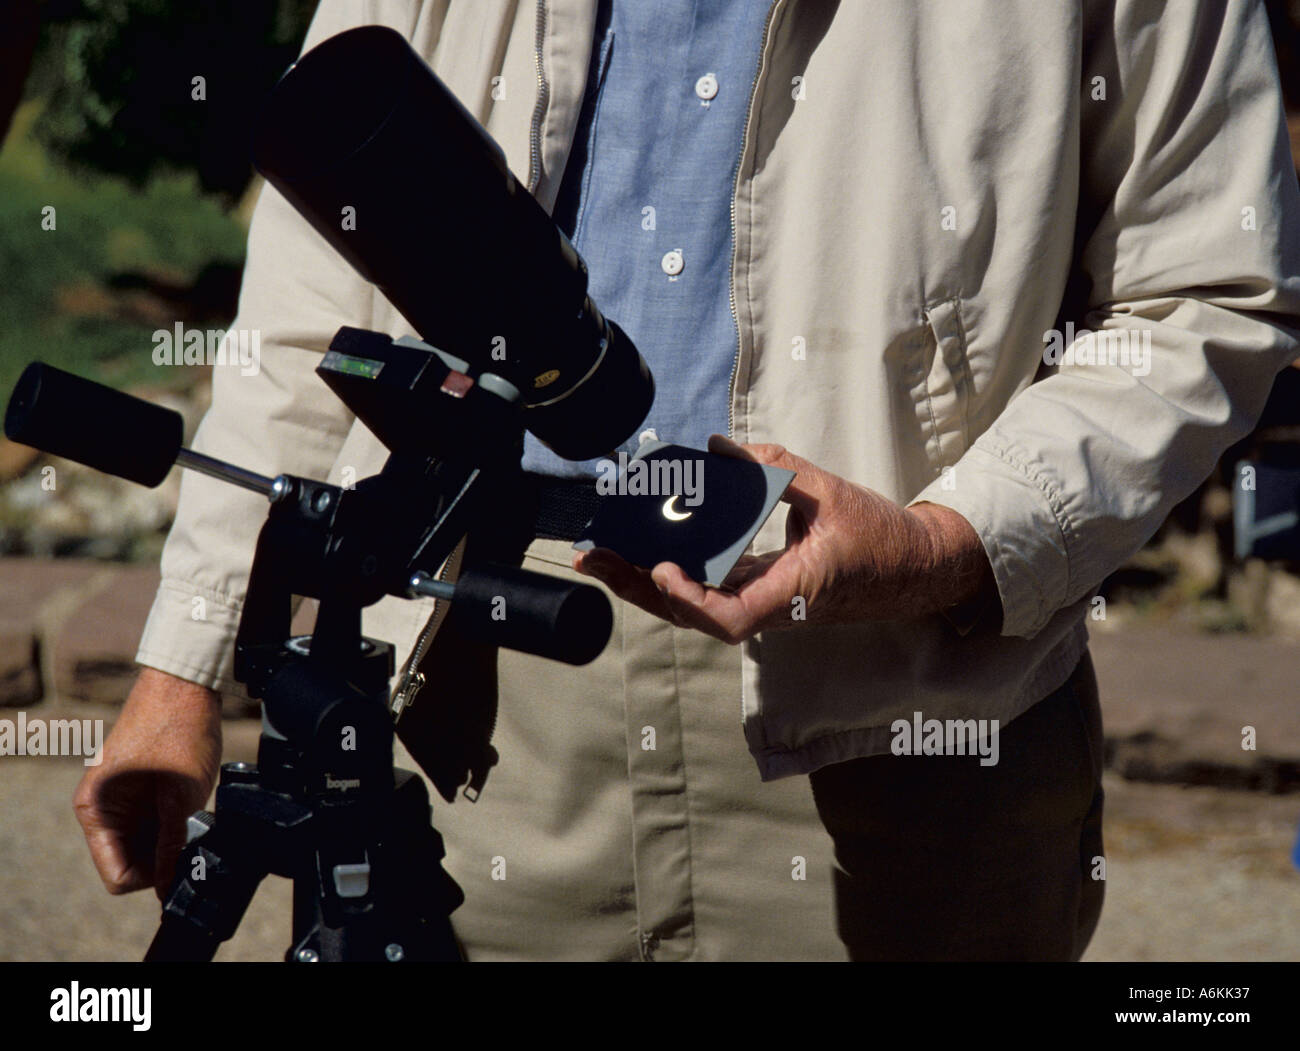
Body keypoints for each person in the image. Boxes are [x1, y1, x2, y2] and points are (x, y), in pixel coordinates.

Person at [74, 0, 1300, 960]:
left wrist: (948, 545)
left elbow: (1204, 296)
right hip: (477, 673)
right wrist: (182, 664)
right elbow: (315, 279)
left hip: (904, 695)